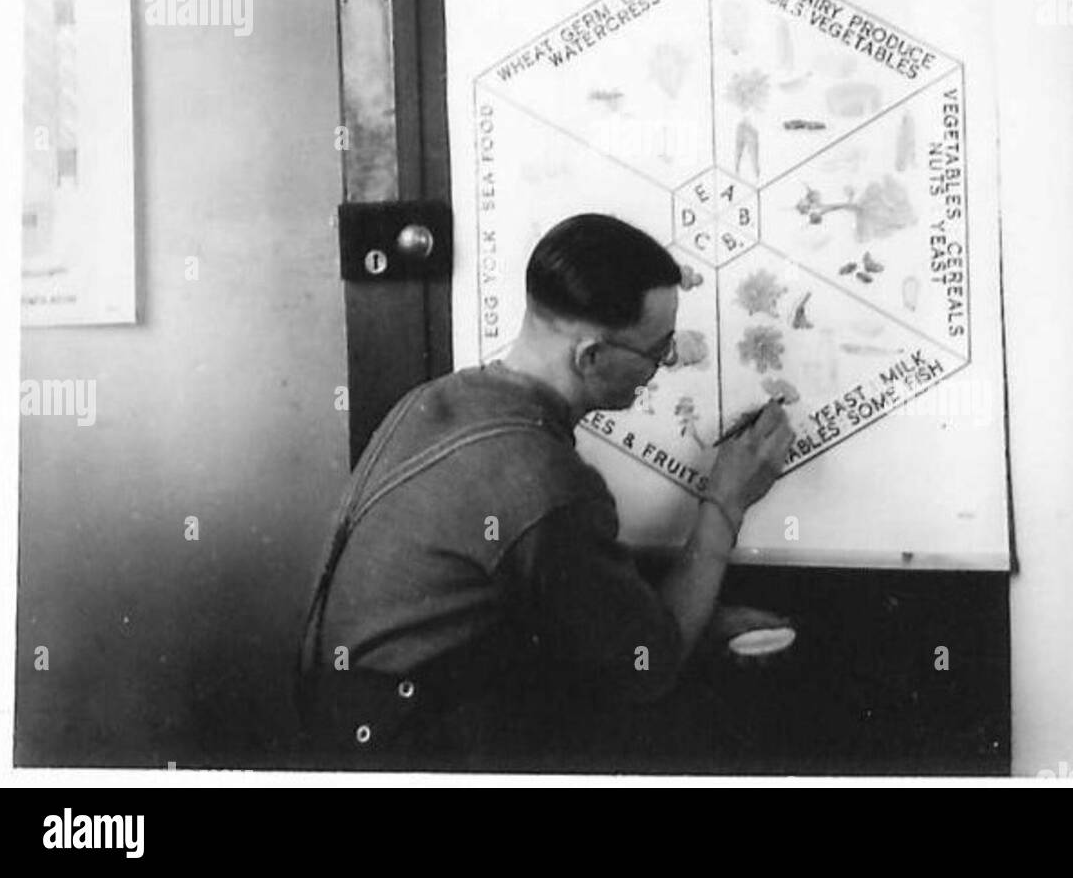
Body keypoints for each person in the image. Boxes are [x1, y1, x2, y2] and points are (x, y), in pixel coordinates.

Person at [296, 212, 792, 769]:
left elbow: (547, 589)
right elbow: (645, 667)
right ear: (591, 357)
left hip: (344, 723)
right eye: (658, 350)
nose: (664, 366)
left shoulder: (436, 400)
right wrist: (727, 500)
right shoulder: (546, 482)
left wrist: (681, 617)